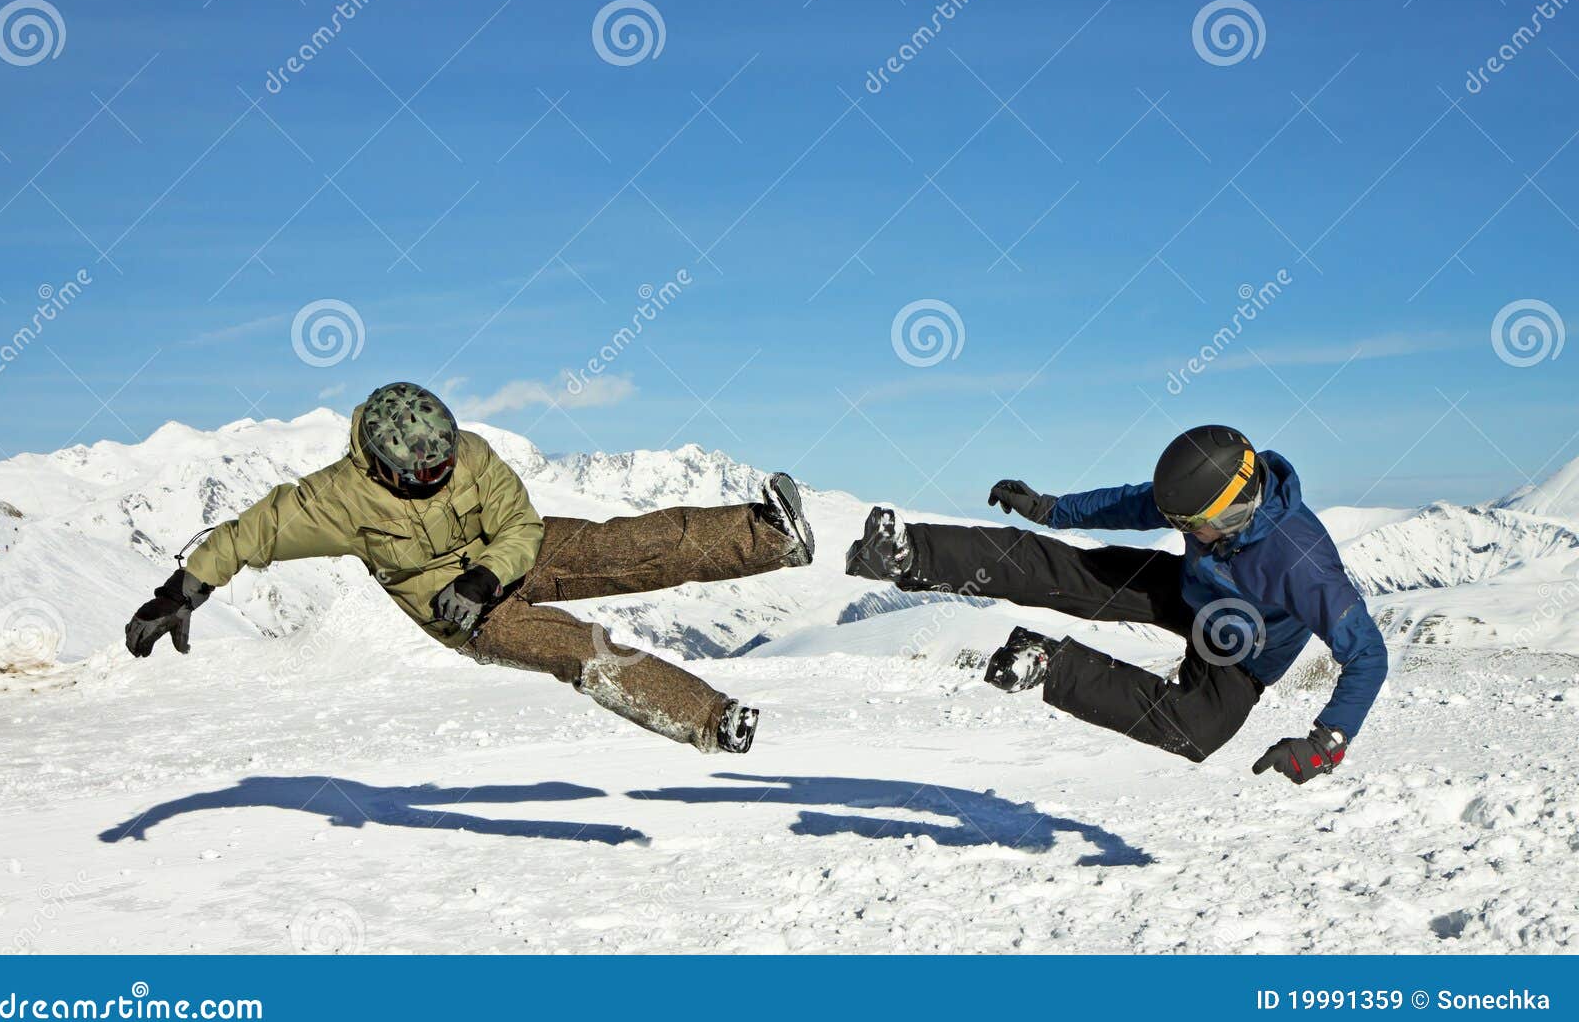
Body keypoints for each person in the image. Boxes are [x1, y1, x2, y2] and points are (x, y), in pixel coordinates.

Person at [124, 382, 815, 755]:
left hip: (505, 558)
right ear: (384, 464)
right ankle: (710, 721)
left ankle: (772, 537)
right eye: (425, 470)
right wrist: (180, 590)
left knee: (625, 546)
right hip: (466, 616)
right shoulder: (334, 500)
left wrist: (485, 570)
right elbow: (251, 532)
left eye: (445, 459)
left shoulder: (472, 453)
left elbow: (518, 524)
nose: (441, 472)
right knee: (582, 651)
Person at [844, 424, 1387, 784]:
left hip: (1242, 654)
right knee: (1071, 574)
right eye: (1181, 526)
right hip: (1191, 593)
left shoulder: (1300, 561)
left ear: (1237, 510)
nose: (1187, 535)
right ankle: (907, 552)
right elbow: (1129, 503)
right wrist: (1051, 509)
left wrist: (1325, 743)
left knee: (1197, 731)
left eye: (1194, 528)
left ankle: (1049, 663)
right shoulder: (1204, 499)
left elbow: (1367, 653)